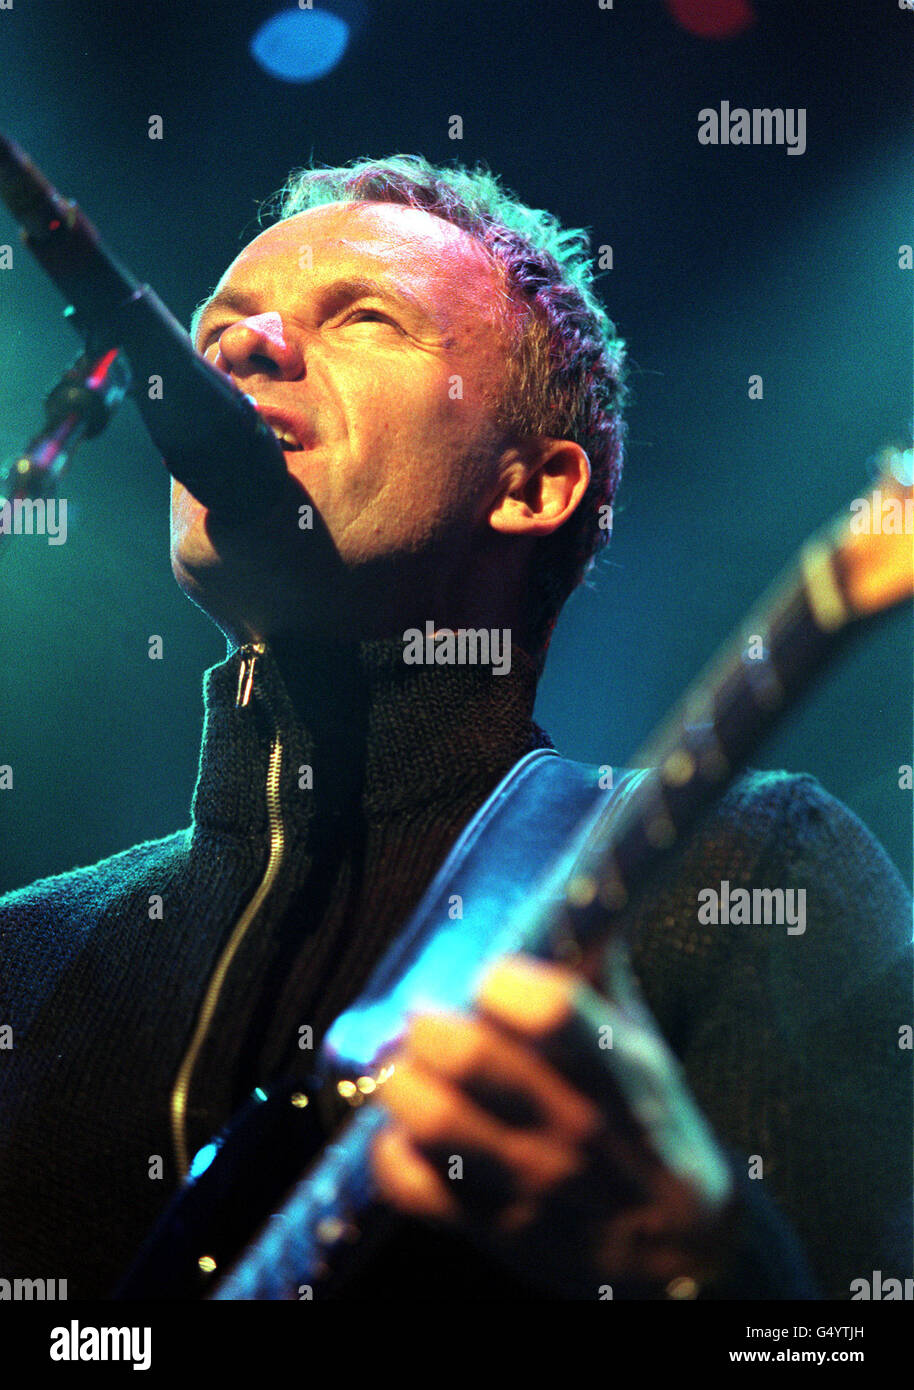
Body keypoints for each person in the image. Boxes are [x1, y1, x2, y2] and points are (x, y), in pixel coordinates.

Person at [0, 157, 909, 1302]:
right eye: (221, 327)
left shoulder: (738, 862)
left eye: (365, 316)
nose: (242, 348)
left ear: (532, 488)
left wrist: (690, 1258)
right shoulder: (22, 960)